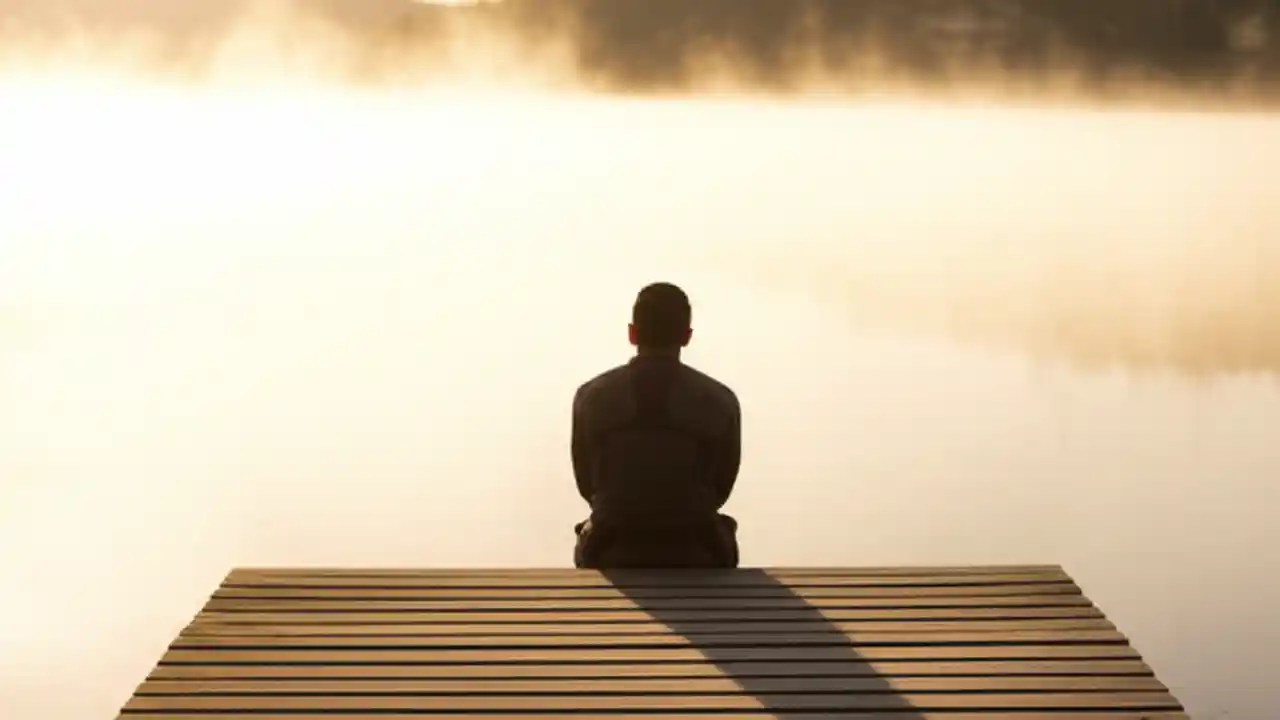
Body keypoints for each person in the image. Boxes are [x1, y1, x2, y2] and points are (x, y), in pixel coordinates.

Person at [571, 282, 741, 568]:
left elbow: (587, 483)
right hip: (697, 550)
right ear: (686, 337)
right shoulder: (719, 400)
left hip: (611, 549)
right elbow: (722, 487)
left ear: (632, 333)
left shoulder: (591, 396)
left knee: (586, 529)